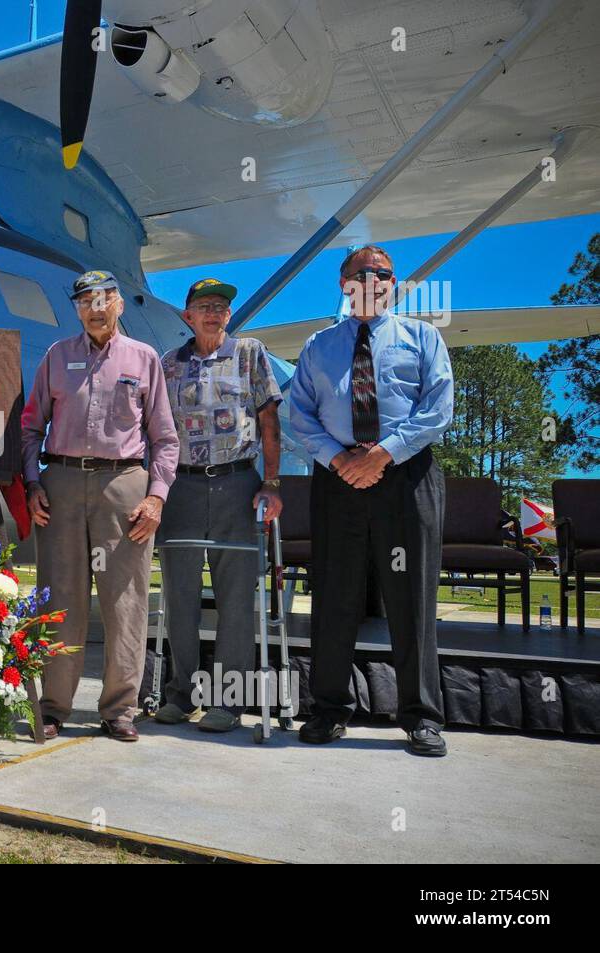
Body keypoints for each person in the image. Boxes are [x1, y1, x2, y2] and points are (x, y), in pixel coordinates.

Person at [288, 244, 453, 756]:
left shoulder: (422, 337)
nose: (374, 279)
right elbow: (300, 415)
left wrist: (382, 454)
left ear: (393, 283)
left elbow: (437, 407)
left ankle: (421, 716)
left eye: (383, 273)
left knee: (412, 598)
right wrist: (341, 461)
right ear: (344, 283)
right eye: (363, 272)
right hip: (338, 480)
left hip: (406, 478)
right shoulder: (319, 346)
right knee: (334, 596)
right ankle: (330, 708)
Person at [22, 270, 179, 742]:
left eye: (104, 298)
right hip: (63, 484)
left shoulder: (143, 358)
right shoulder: (56, 356)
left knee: (125, 603)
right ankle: (53, 707)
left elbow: (165, 439)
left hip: (124, 487)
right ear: (76, 309)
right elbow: (31, 427)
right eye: (86, 300)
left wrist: (156, 496)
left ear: (119, 305)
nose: (95, 308)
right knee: (60, 600)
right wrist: (32, 483)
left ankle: (118, 710)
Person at [156, 278, 283, 732]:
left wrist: (271, 483)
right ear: (187, 316)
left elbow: (269, 422)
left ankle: (228, 702)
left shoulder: (249, 353)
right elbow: (156, 430)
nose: (214, 313)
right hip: (182, 488)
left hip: (237, 484)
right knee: (179, 596)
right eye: (204, 306)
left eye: (222, 307)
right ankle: (180, 694)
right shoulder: (168, 364)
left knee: (234, 599)